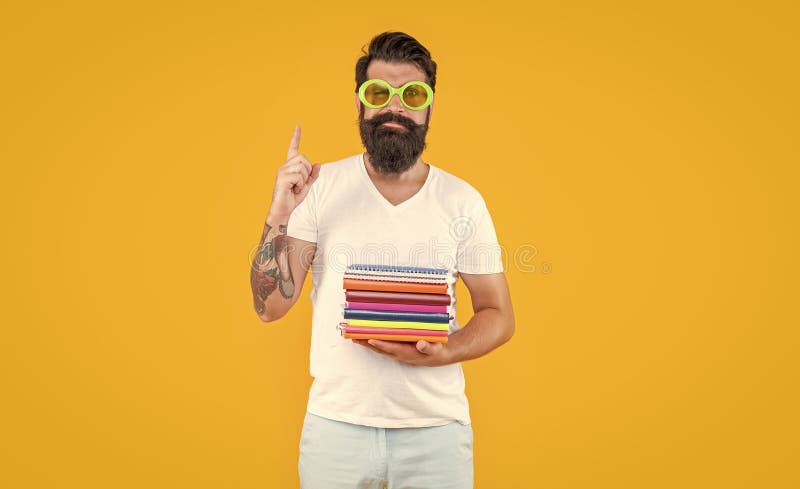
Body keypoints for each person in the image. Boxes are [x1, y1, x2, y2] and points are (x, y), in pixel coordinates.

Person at [250, 31, 515, 489]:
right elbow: (268, 307)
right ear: (359, 106)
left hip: (436, 434)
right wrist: (279, 212)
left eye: (412, 94)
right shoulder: (319, 187)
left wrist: (447, 350)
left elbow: (499, 315)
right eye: (379, 93)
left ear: (429, 107)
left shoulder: (462, 200)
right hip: (335, 430)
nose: (395, 106)